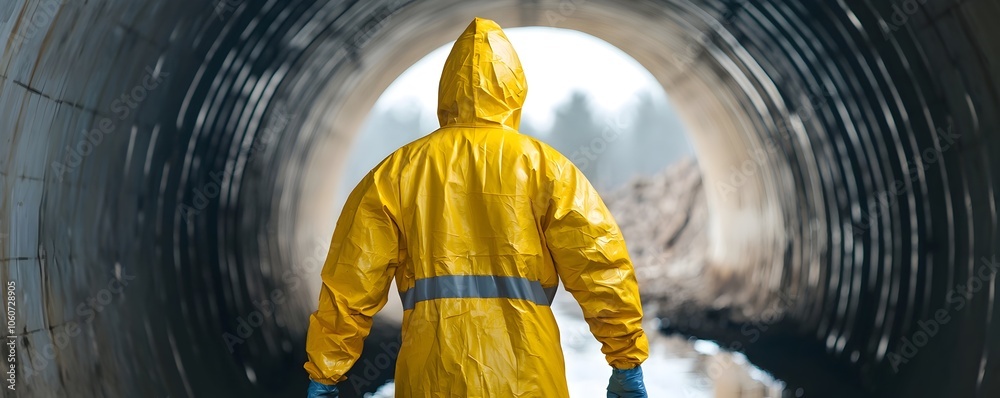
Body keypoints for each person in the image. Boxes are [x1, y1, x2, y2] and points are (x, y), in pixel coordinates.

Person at [304, 17, 649, 398]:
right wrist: (626, 361)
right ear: (514, 87)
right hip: (527, 376)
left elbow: (350, 281)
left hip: (431, 377)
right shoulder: (548, 169)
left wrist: (325, 372)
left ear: (446, 89)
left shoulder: (395, 174)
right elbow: (600, 265)